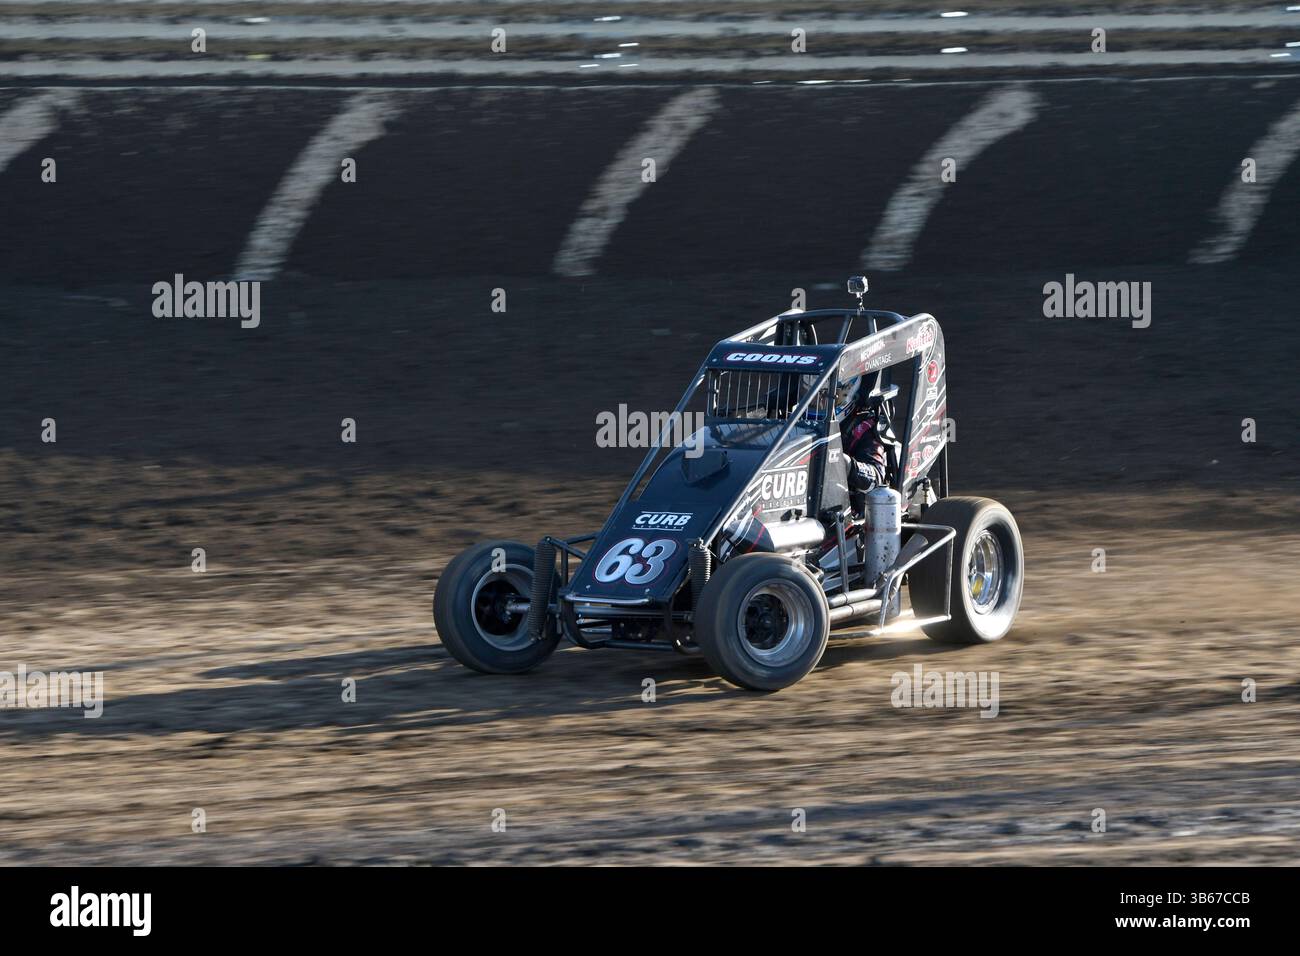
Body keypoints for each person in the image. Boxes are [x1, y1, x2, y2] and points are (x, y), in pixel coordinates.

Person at [837, 376, 893, 513]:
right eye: (814, 397)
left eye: (827, 397)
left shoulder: (864, 428)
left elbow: (876, 478)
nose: (820, 403)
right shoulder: (793, 422)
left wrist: (845, 464)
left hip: (847, 515)